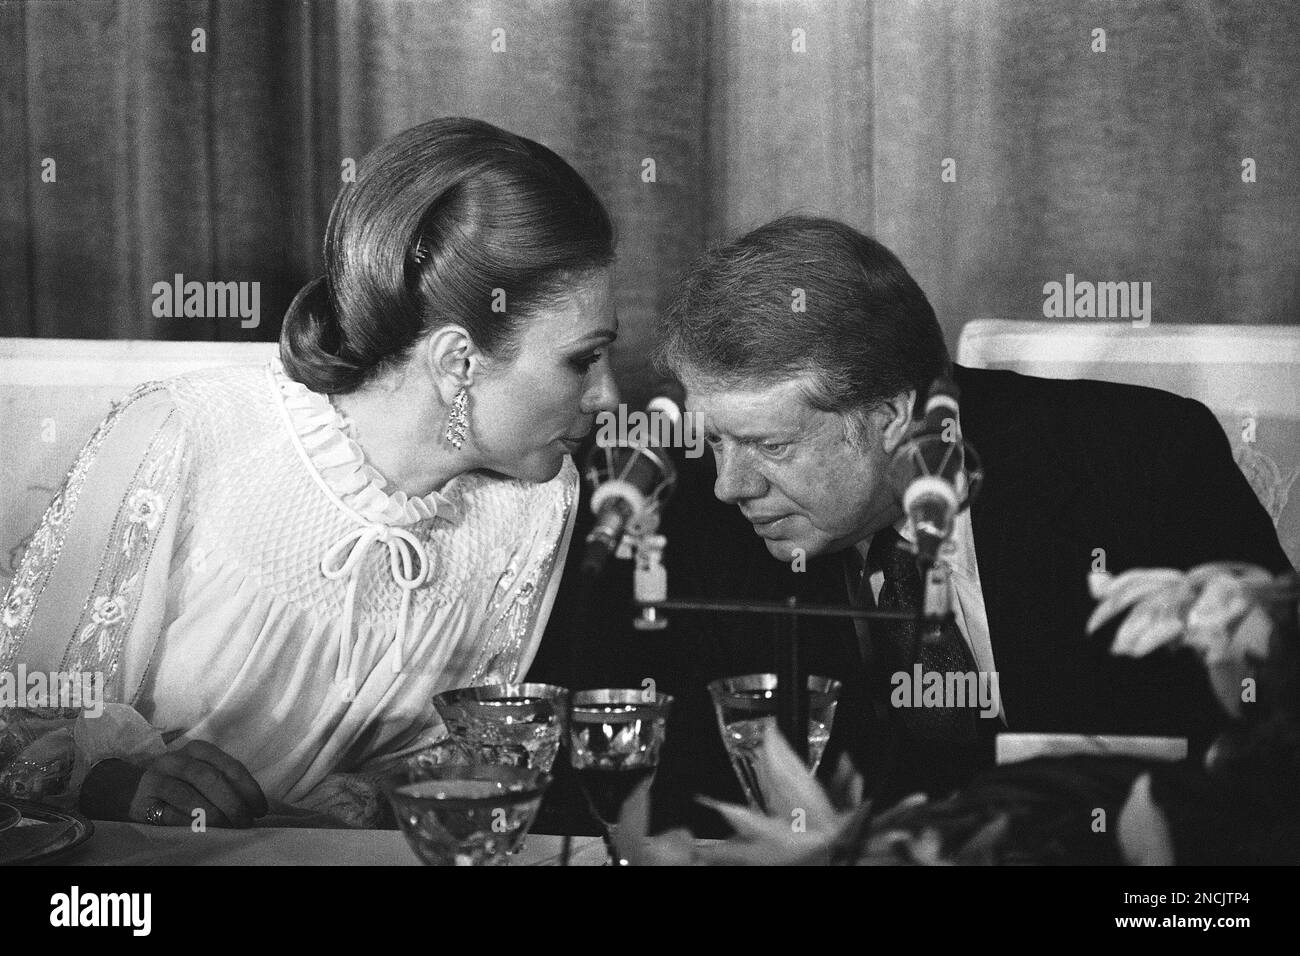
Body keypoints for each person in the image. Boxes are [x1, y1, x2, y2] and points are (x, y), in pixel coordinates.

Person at [0, 117, 619, 828]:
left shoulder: (536, 504)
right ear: (458, 364)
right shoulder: (188, 436)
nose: (610, 398)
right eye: (582, 359)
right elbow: (15, 723)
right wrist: (114, 786)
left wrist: (354, 809)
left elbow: (465, 777)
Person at [653, 215, 1292, 805]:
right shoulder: (709, 522)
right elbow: (698, 791)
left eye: (770, 445)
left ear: (891, 417)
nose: (729, 485)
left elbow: (1271, 739)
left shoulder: (1142, 462)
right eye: (714, 438)